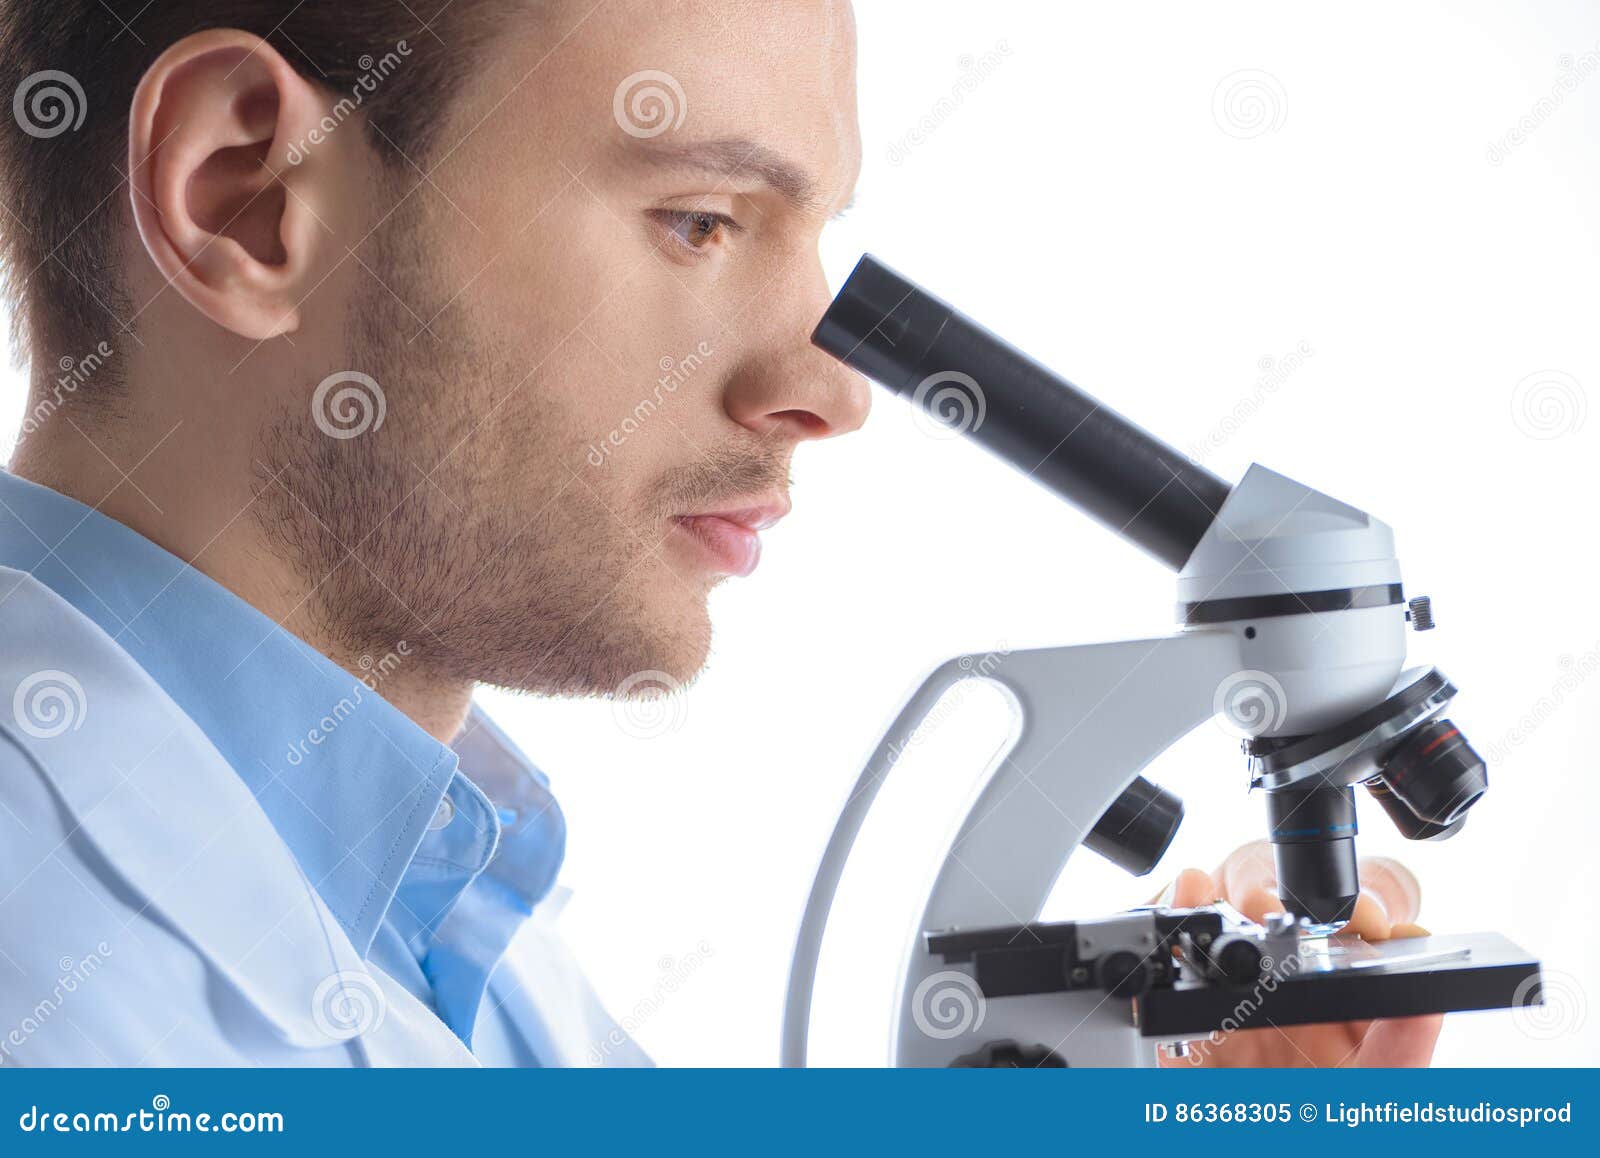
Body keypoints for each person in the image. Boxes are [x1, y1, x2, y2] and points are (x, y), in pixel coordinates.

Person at [0, 0, 1437, 1066]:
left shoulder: (445, 930)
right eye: (700, 221)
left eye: (810, 243)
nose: (831, 393)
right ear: (245, 198)